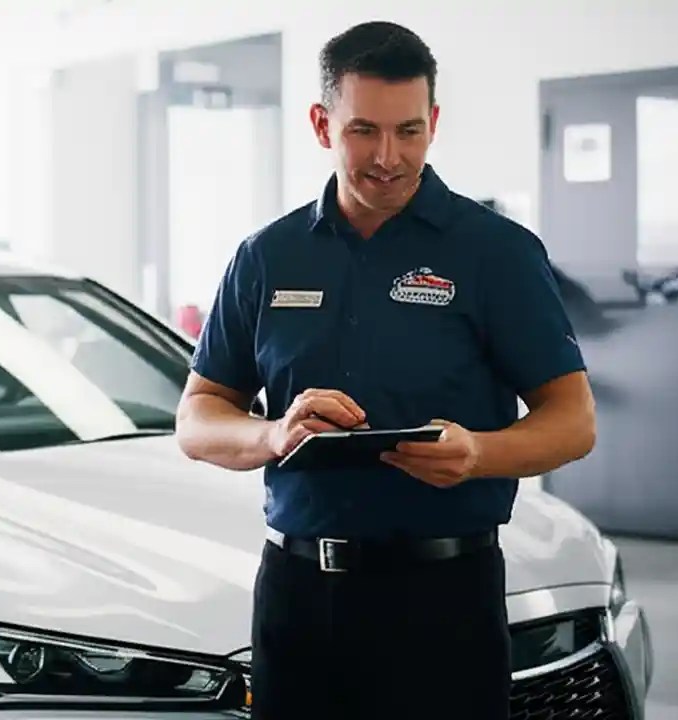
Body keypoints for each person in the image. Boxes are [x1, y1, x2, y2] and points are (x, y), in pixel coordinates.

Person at [175, 20, 597, 720]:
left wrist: (478, 454)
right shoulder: (267, 256)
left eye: (409, 131)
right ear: (321, 124)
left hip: (443, 598)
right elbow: (197, 417)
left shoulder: (497, 255)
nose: (388, 157)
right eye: (363, 131)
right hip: (298, 595)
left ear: (433, 122)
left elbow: (573, 422)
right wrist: (274, 434)